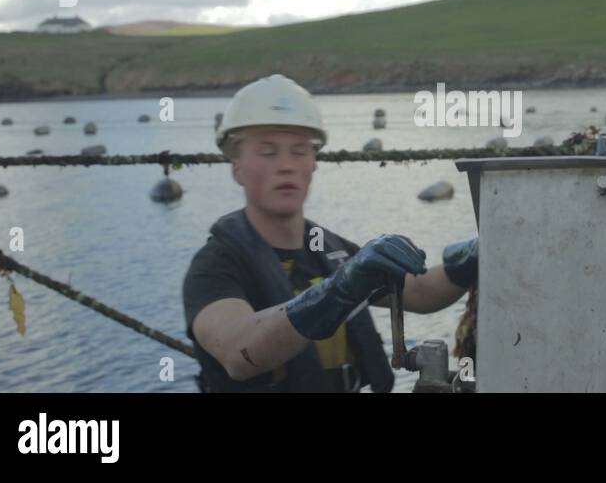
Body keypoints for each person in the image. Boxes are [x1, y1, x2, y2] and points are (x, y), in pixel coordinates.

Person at [183, 74, 479, 392]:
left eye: (298, 151)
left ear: (313, 163)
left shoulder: (329, 250)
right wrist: (339, 290)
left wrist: (475, 257)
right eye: (268, 152)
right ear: (236, 166)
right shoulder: (215, 266)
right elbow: (236, 351)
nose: (286, 165)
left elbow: (420, 293)